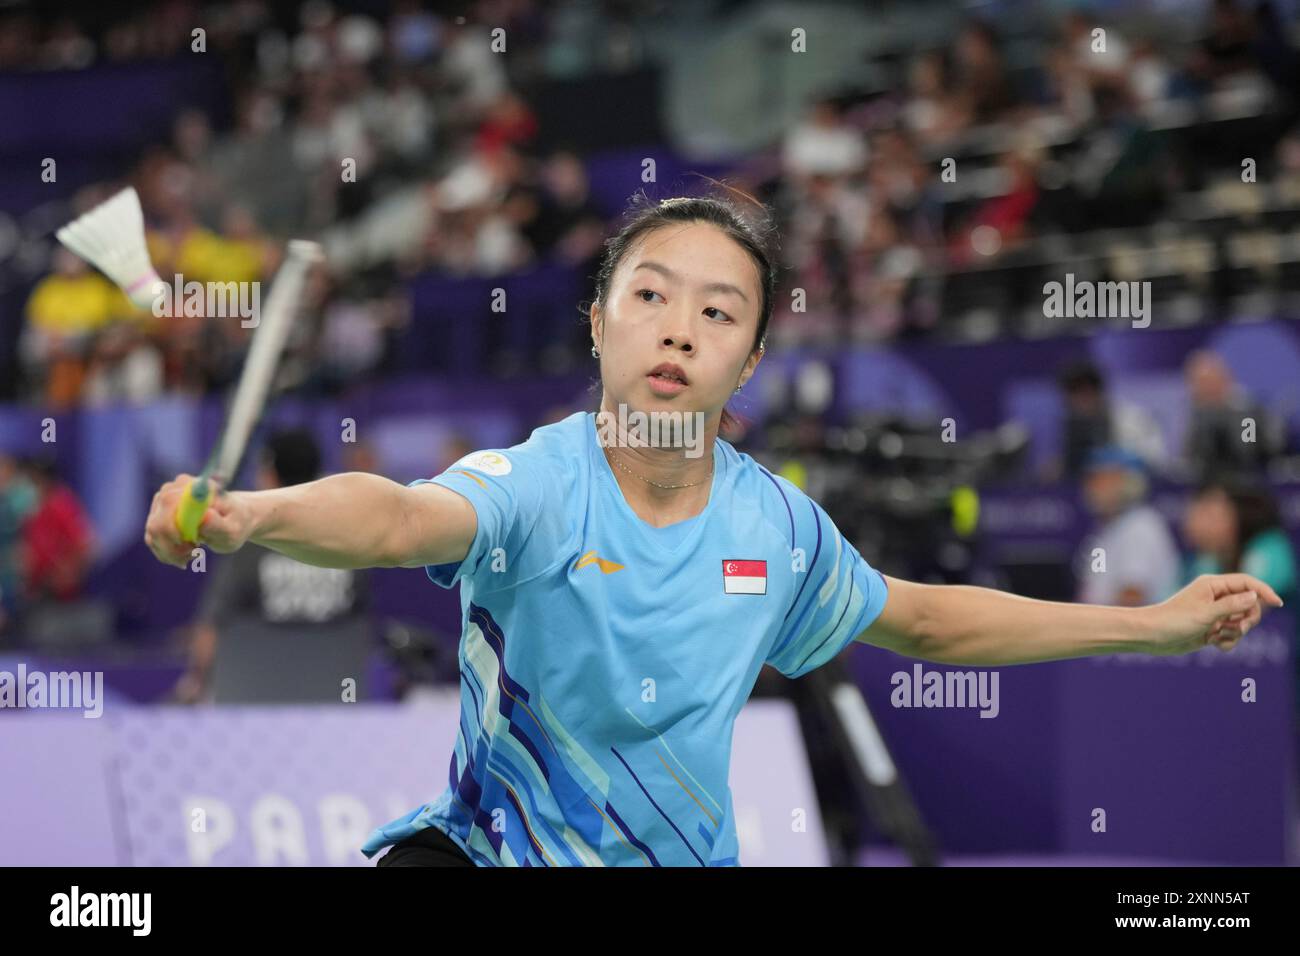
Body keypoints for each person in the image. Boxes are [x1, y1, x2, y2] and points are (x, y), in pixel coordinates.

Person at [144, 191, 1282, 867]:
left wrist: (1152, 625)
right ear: (595, 325)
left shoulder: (775, 524)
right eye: (648, 293)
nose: (678, 324)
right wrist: (253, 517)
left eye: (718, 308)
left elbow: (932, 623)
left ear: (749, 359)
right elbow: (394, 517)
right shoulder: (540, 484)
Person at [173, 428, 369, 705]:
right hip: (338, 706)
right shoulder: (350, 538)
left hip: (255, 710)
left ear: (271, 475)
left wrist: (196, 681)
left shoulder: (245, 543)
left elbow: (211, 630)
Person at [1074, 446, 1181, 607]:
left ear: (1130, 484)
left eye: (1103, 480)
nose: (1092, 488)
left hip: (1127, 630)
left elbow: (1132, 599)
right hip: (1096, 626)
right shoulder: (1107, 529)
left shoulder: (1141, 527)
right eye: (1092, 479)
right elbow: (1095, 589)